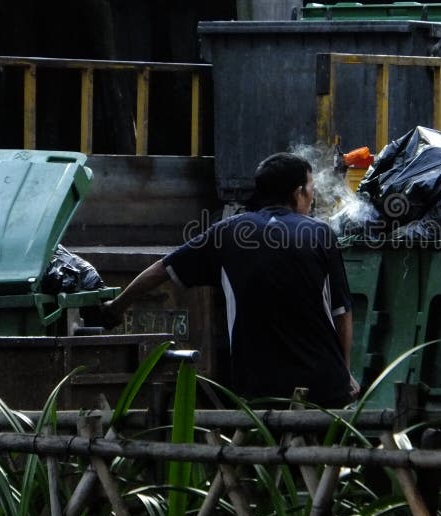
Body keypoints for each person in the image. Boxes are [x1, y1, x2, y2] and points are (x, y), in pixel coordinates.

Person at [104, 152, 359, 408]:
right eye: (310, 189)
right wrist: (345, 372)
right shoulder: (320, 233)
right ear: (298, 193)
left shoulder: (228, 232)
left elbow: (162, 270)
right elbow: (342, 312)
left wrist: (117, 307)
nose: (312, 197)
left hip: (259, 389)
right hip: (323, 388)